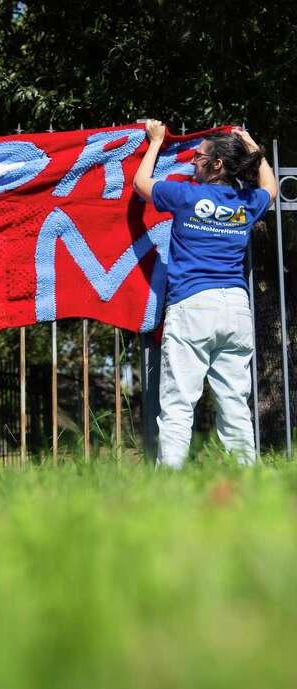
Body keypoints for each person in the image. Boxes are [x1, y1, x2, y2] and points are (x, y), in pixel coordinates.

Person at [133, 119, 277, 468]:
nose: (192, 161)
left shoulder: (185, 195)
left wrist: (156, 141)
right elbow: (271, 187)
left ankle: (170, 481)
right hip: (235, 309)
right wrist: (249, 140)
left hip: (193, 306)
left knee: (178, 403)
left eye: (198, 157)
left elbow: (140, 184)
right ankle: (248, 479)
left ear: (216, 164)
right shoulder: (246, 201)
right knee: (235, 404)